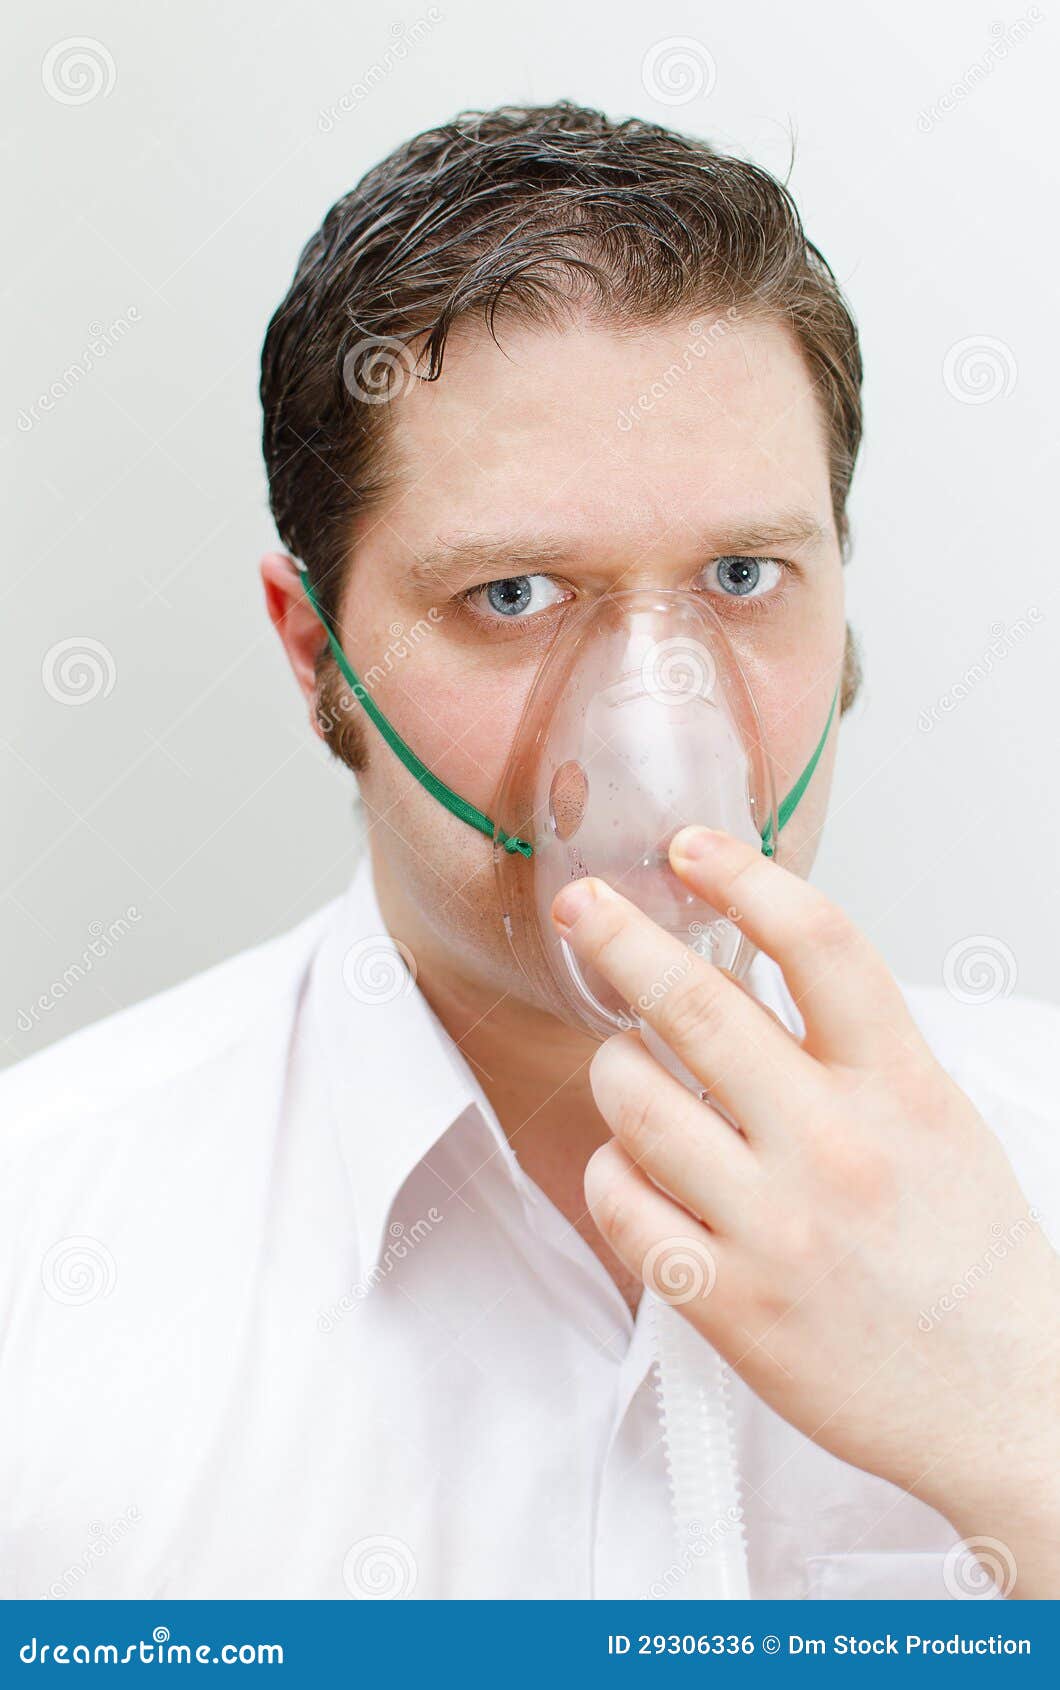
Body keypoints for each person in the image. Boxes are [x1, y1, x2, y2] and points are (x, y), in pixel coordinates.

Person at [1, 103, 1057, 1603]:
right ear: (315, 648)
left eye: (743, 576)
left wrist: (1027, 1431)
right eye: (513, 594)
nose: (651, 723)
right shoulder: (41, 1256)